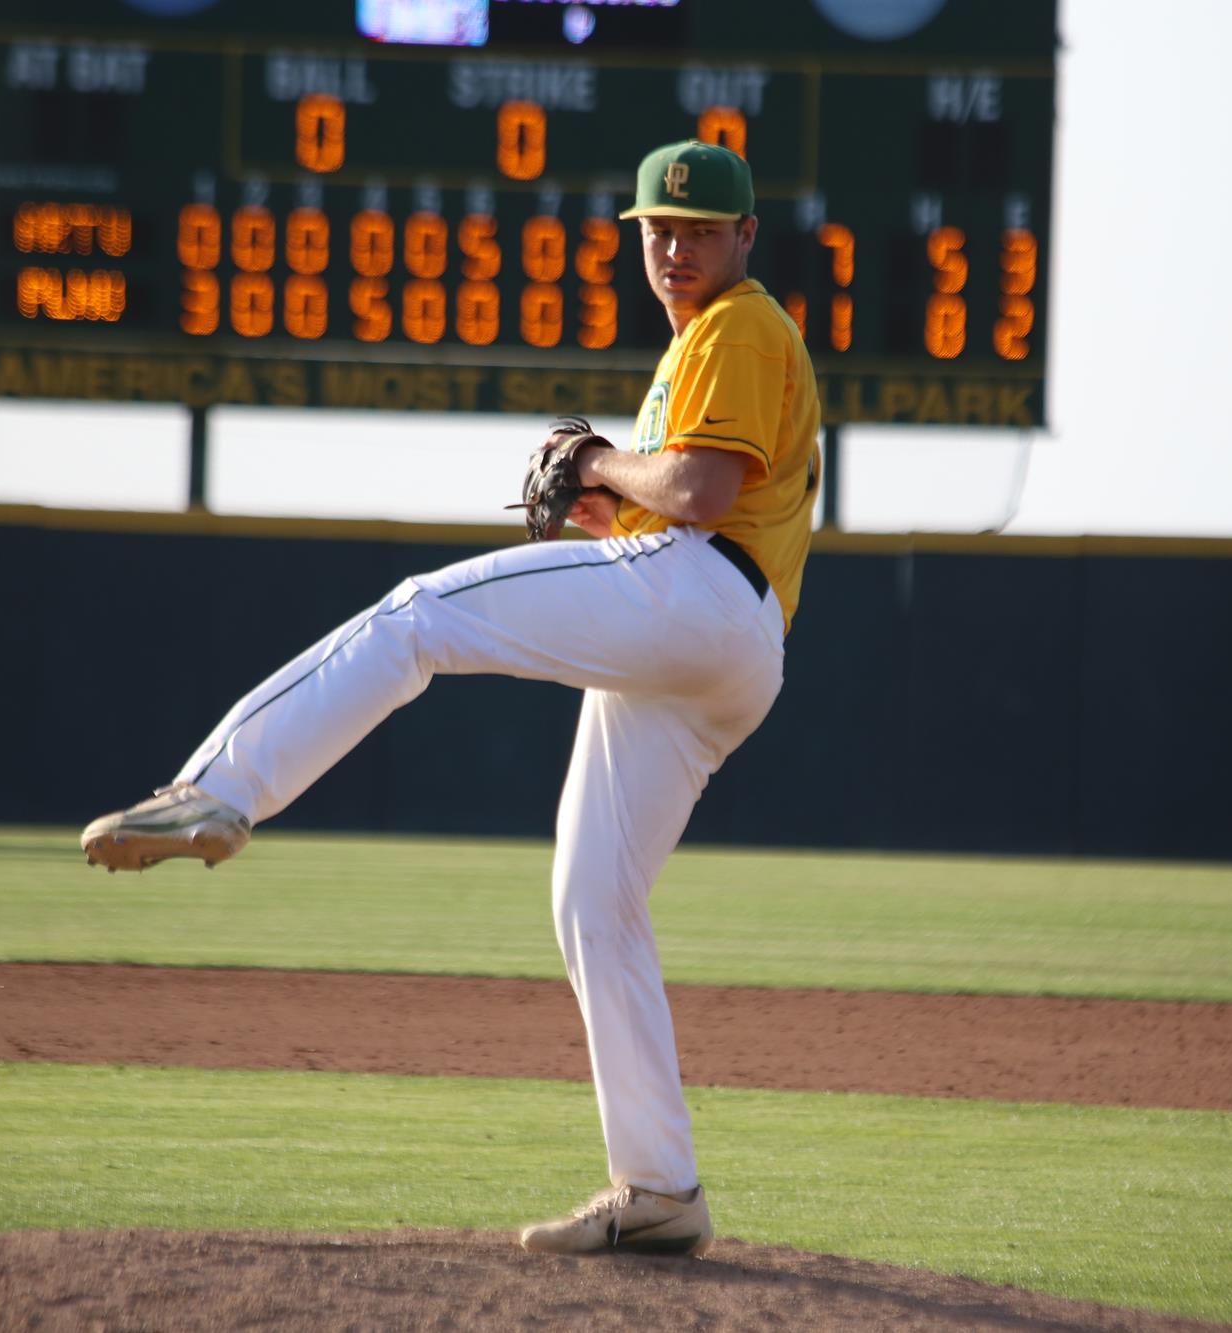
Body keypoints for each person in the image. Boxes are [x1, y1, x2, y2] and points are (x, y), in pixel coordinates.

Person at [80, 139, 821, 1258]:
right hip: (721, 643)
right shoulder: (702, 340)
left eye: (699, 230)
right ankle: (659, 1186)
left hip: (704, 600)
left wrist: (603, 463)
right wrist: (600, 499)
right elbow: (667, 507)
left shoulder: (740, 325)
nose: (674, 248)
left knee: (417, 614)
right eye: (657, 231)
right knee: (592, 900)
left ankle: (215, 789)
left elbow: (701, 490)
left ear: (743, 237)